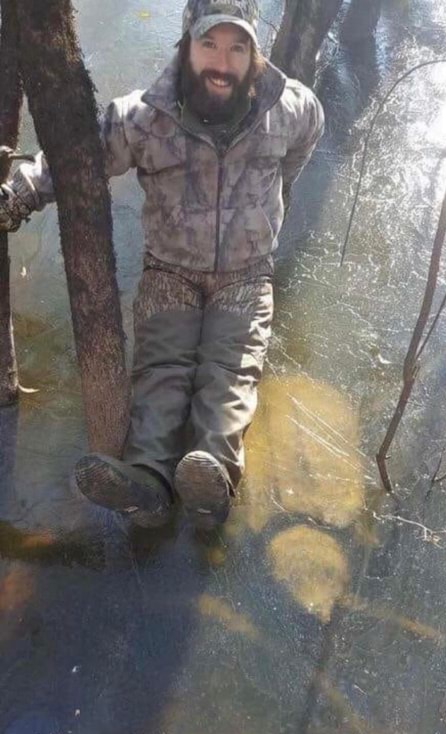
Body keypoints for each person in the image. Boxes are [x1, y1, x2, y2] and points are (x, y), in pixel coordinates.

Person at [0, 0, 324, 529]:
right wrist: (19, 192)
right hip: (169, 269)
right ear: (186, 45)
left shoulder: (289, 107)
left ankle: (210, 478)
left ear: (253, 55)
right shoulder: (144, 116)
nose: (222, 62)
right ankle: (146, 482)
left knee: (229, 373)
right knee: (162, 371)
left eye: (237, 47)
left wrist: (277, 196)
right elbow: (78, 155)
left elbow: (304, 146)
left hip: (246, 273)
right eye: (209, 45)